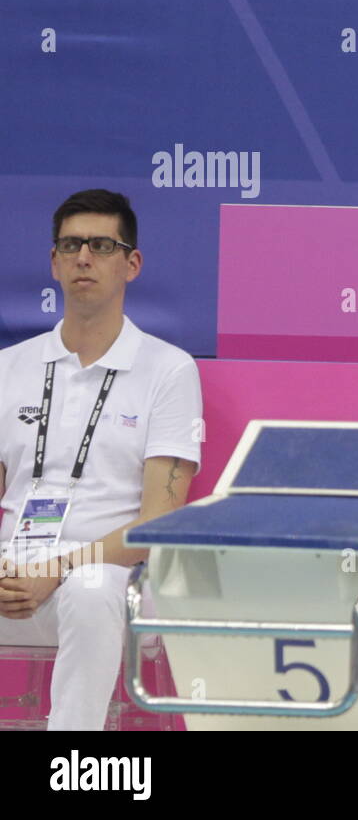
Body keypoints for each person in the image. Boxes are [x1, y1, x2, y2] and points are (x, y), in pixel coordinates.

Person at [0, 190, 202, 729]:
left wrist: (59, 567)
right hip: (13, 567)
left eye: (101, 245)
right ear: (53, 261)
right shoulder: (10, 367)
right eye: (70, 245)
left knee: (89, 592)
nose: (83, 257)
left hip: (112, 576)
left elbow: (159, 521)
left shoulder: (168, 369)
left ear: (131, 263)